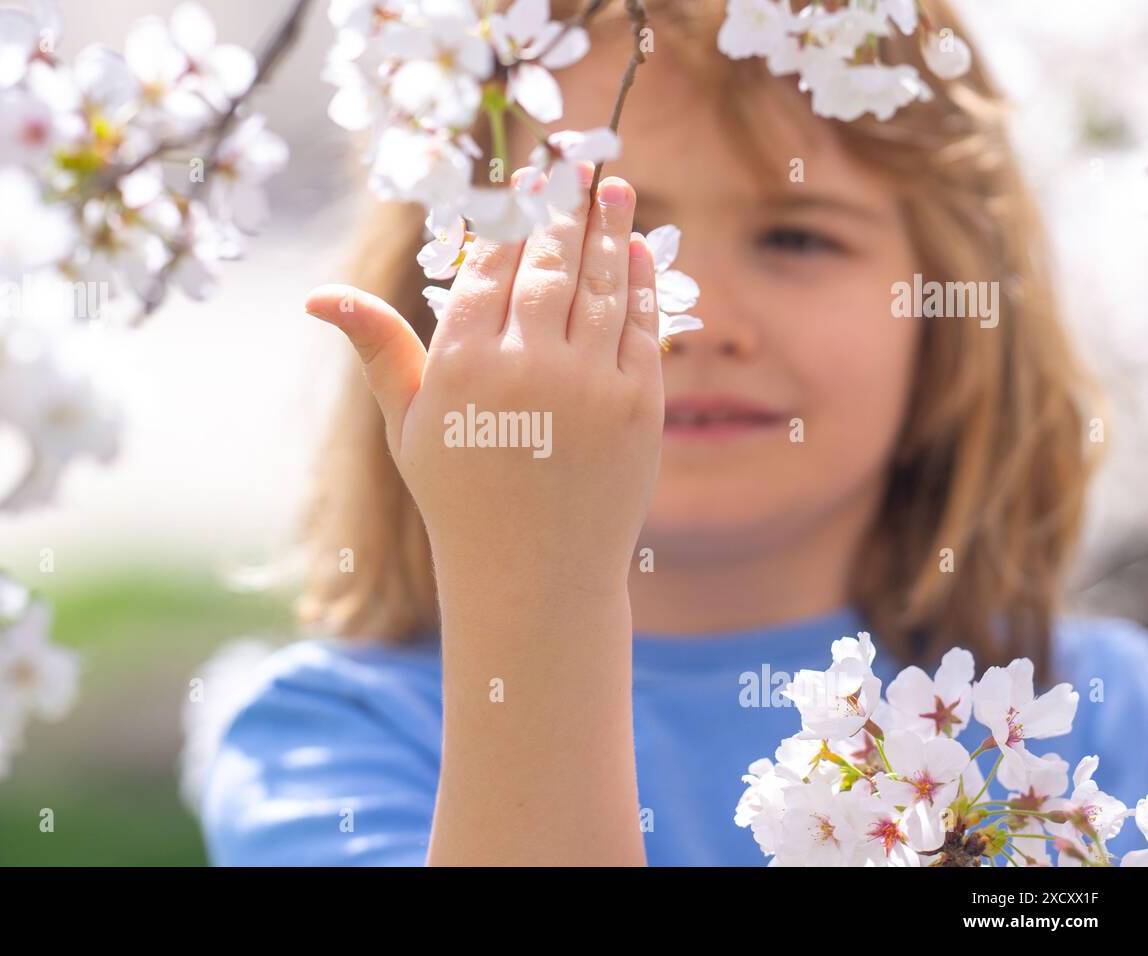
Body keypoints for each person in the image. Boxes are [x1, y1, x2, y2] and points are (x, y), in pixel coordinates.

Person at [201, 0, 1148, 865]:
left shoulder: (1098, 723)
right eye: (594, 248)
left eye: (797, 237)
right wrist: (542, 580)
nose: (698, 321)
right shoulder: (330, 741)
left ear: (947, 313)